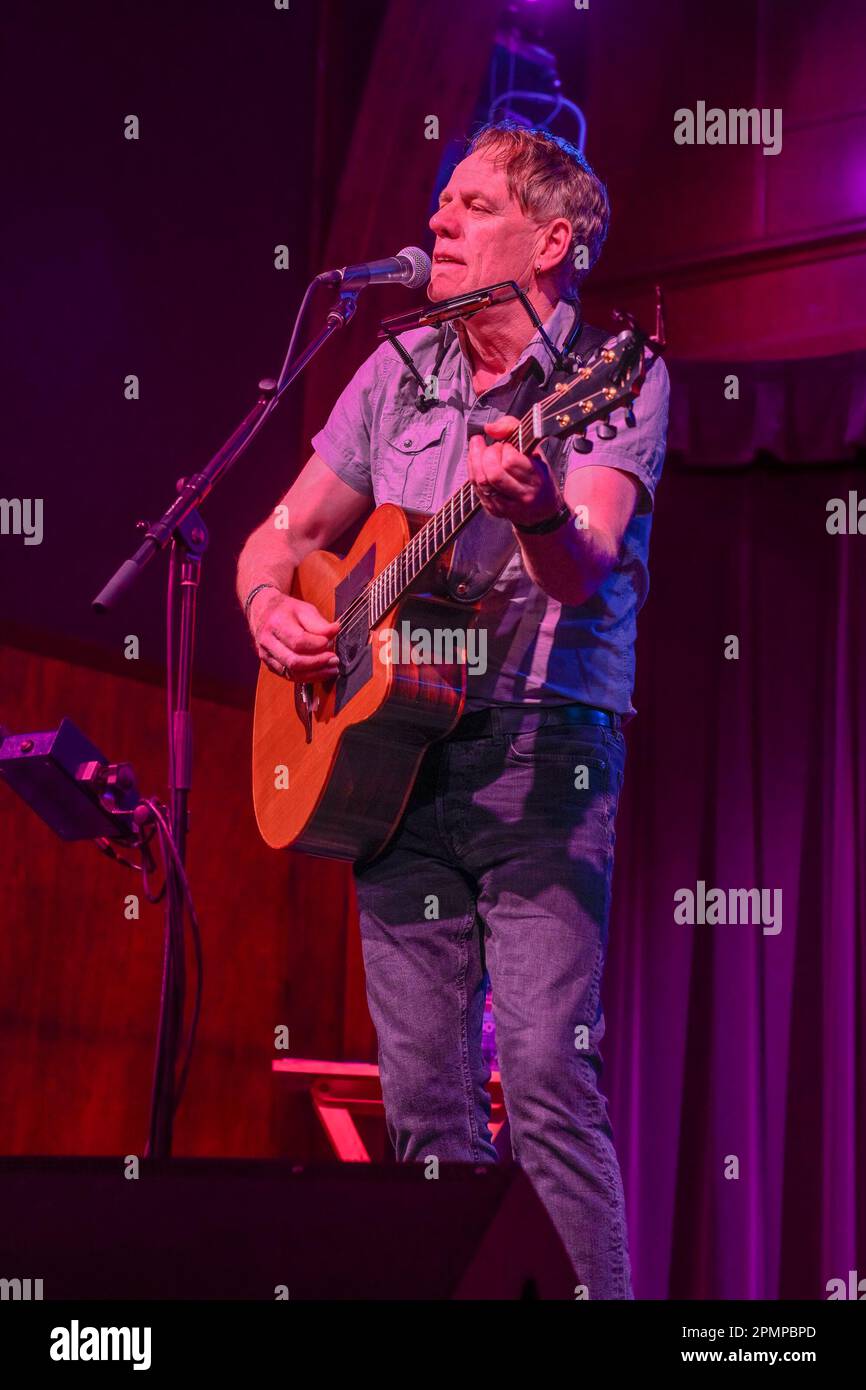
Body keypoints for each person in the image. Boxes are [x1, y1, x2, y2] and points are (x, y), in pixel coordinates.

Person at [237, 121, 669, 1299]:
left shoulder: (610, 375)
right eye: (439, 203)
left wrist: (528, 506)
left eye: (471, 207)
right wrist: (269, 603)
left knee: (542, 1075)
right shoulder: (398, 370)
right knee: (423, 1097)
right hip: (391, 762)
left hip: (542, 748)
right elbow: (280, 534)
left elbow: (580, 562)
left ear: (550, 241)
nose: (437, 223)